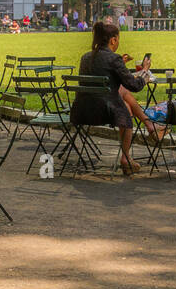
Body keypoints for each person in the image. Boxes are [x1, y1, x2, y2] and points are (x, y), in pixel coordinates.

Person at [69, 19, 164, 176]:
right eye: (118, 39)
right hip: (103, 111)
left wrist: (121, 65)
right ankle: (127, 156)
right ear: (113, 39)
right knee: (125, 111)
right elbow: (135, 86)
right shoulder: (114, 59)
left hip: (82, 110)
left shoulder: (85, 57)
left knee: (122, 92)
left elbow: (102, 76)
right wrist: (145, 72)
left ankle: (150, 126)